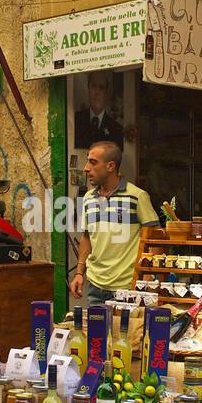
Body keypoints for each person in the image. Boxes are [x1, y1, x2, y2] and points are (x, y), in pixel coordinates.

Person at [70, 140, 158, 308]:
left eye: (93, 162)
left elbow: (154, 239)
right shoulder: (88, 198)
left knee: (125, 333)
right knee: (96, 333)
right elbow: (87, 238)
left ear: (110, 166)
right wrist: (79, 273)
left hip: (127, 286)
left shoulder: (137, 196)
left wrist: (147, 275)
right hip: (95, 286)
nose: (86, 168)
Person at [73, 71, 124, 149]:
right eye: (93, 86)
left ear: (106, 93)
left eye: (101, 87)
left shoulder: (116, 129)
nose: (97, 92)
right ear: (88, 89)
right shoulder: (75, 121)